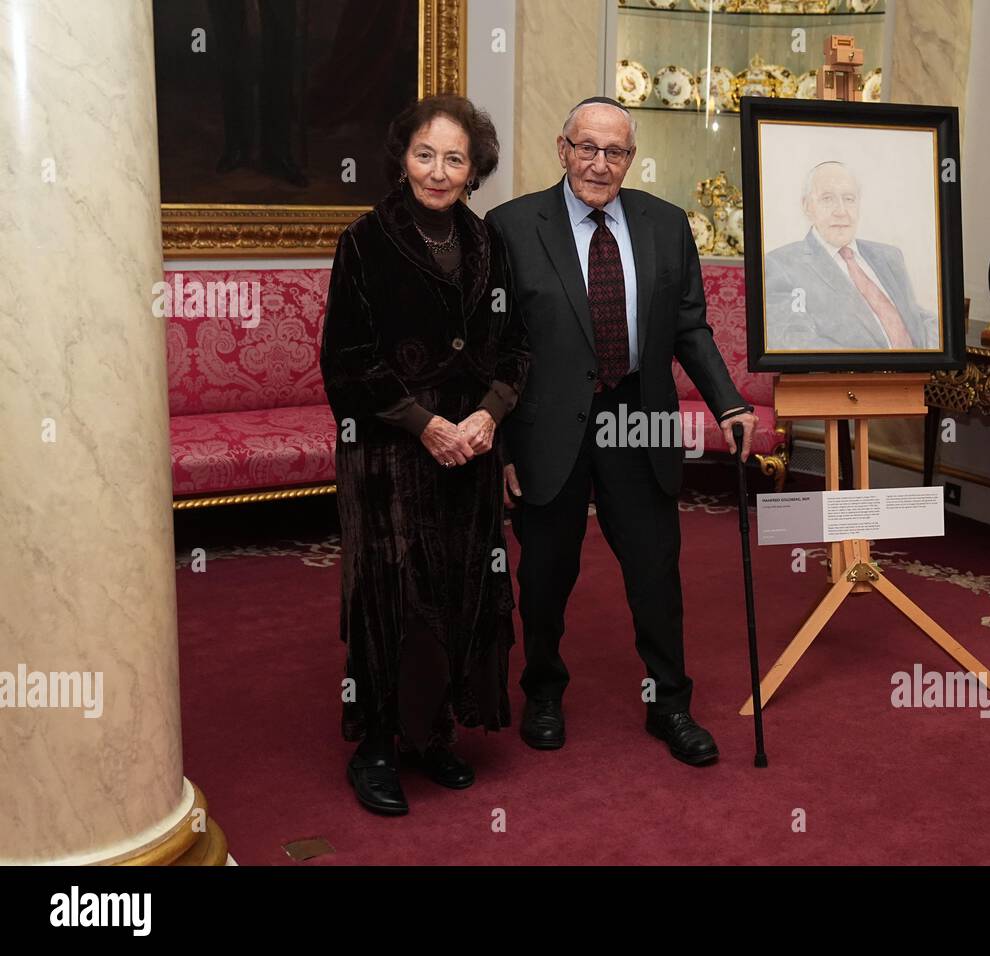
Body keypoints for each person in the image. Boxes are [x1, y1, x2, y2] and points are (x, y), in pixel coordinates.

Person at [484, 96, 758, 766]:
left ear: (630, 159)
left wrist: (727, 403)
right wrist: (506, 450)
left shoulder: (666, 226)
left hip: (638, 414)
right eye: (586, 147)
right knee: (547, 571)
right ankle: (543, 692)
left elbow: (691, 327)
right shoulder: (512, 227)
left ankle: (670, 703)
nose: (598, 164)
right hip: (548, 423)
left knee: (655, 569)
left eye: (614, 152)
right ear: (562, 147)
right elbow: (495, 348)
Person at [320, 94, 529, 815]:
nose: (438, 171)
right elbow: (345, 361)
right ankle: (378, 744)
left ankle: (432, 734)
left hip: (469, 453)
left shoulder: (490, 244)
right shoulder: (365, 241)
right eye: (425, 154)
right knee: (392, 598)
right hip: (388, 455)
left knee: (456, 592)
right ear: (403, 157)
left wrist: (488, 413)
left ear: (475, 169)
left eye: (455, 159)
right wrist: (423, 423)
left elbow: (516, 348)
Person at [764, 160, 939, 351]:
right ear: (807, 206)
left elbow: (916, 317)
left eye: (849, 199)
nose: (841, 211)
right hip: (854, 379)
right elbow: (794, 342)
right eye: (827, 199)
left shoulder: (889, 256)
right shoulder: (781, 266)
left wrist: (928, 359)